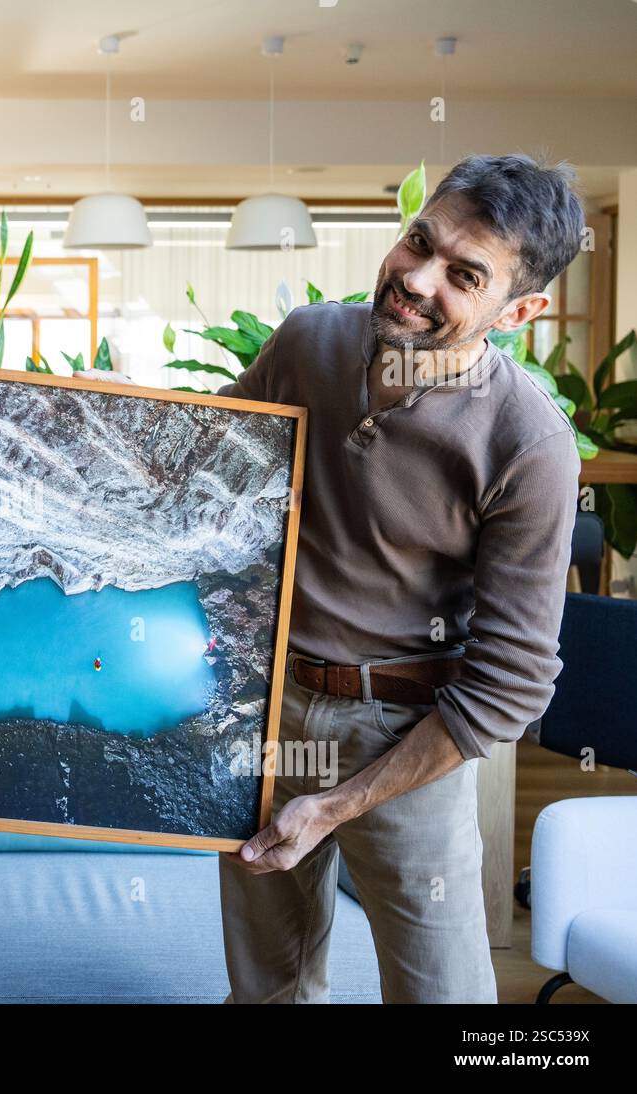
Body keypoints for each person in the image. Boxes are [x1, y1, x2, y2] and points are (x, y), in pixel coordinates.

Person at [210, 154, 585, 1002]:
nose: (414, 279)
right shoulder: (310, 340)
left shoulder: (529, 445)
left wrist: (338, 805)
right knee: (266, 991)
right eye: (420, 241)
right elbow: (219, 468)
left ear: (519, 310)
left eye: (463, 275)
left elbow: (511, 684)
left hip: (407, 739)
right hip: (269, 714)